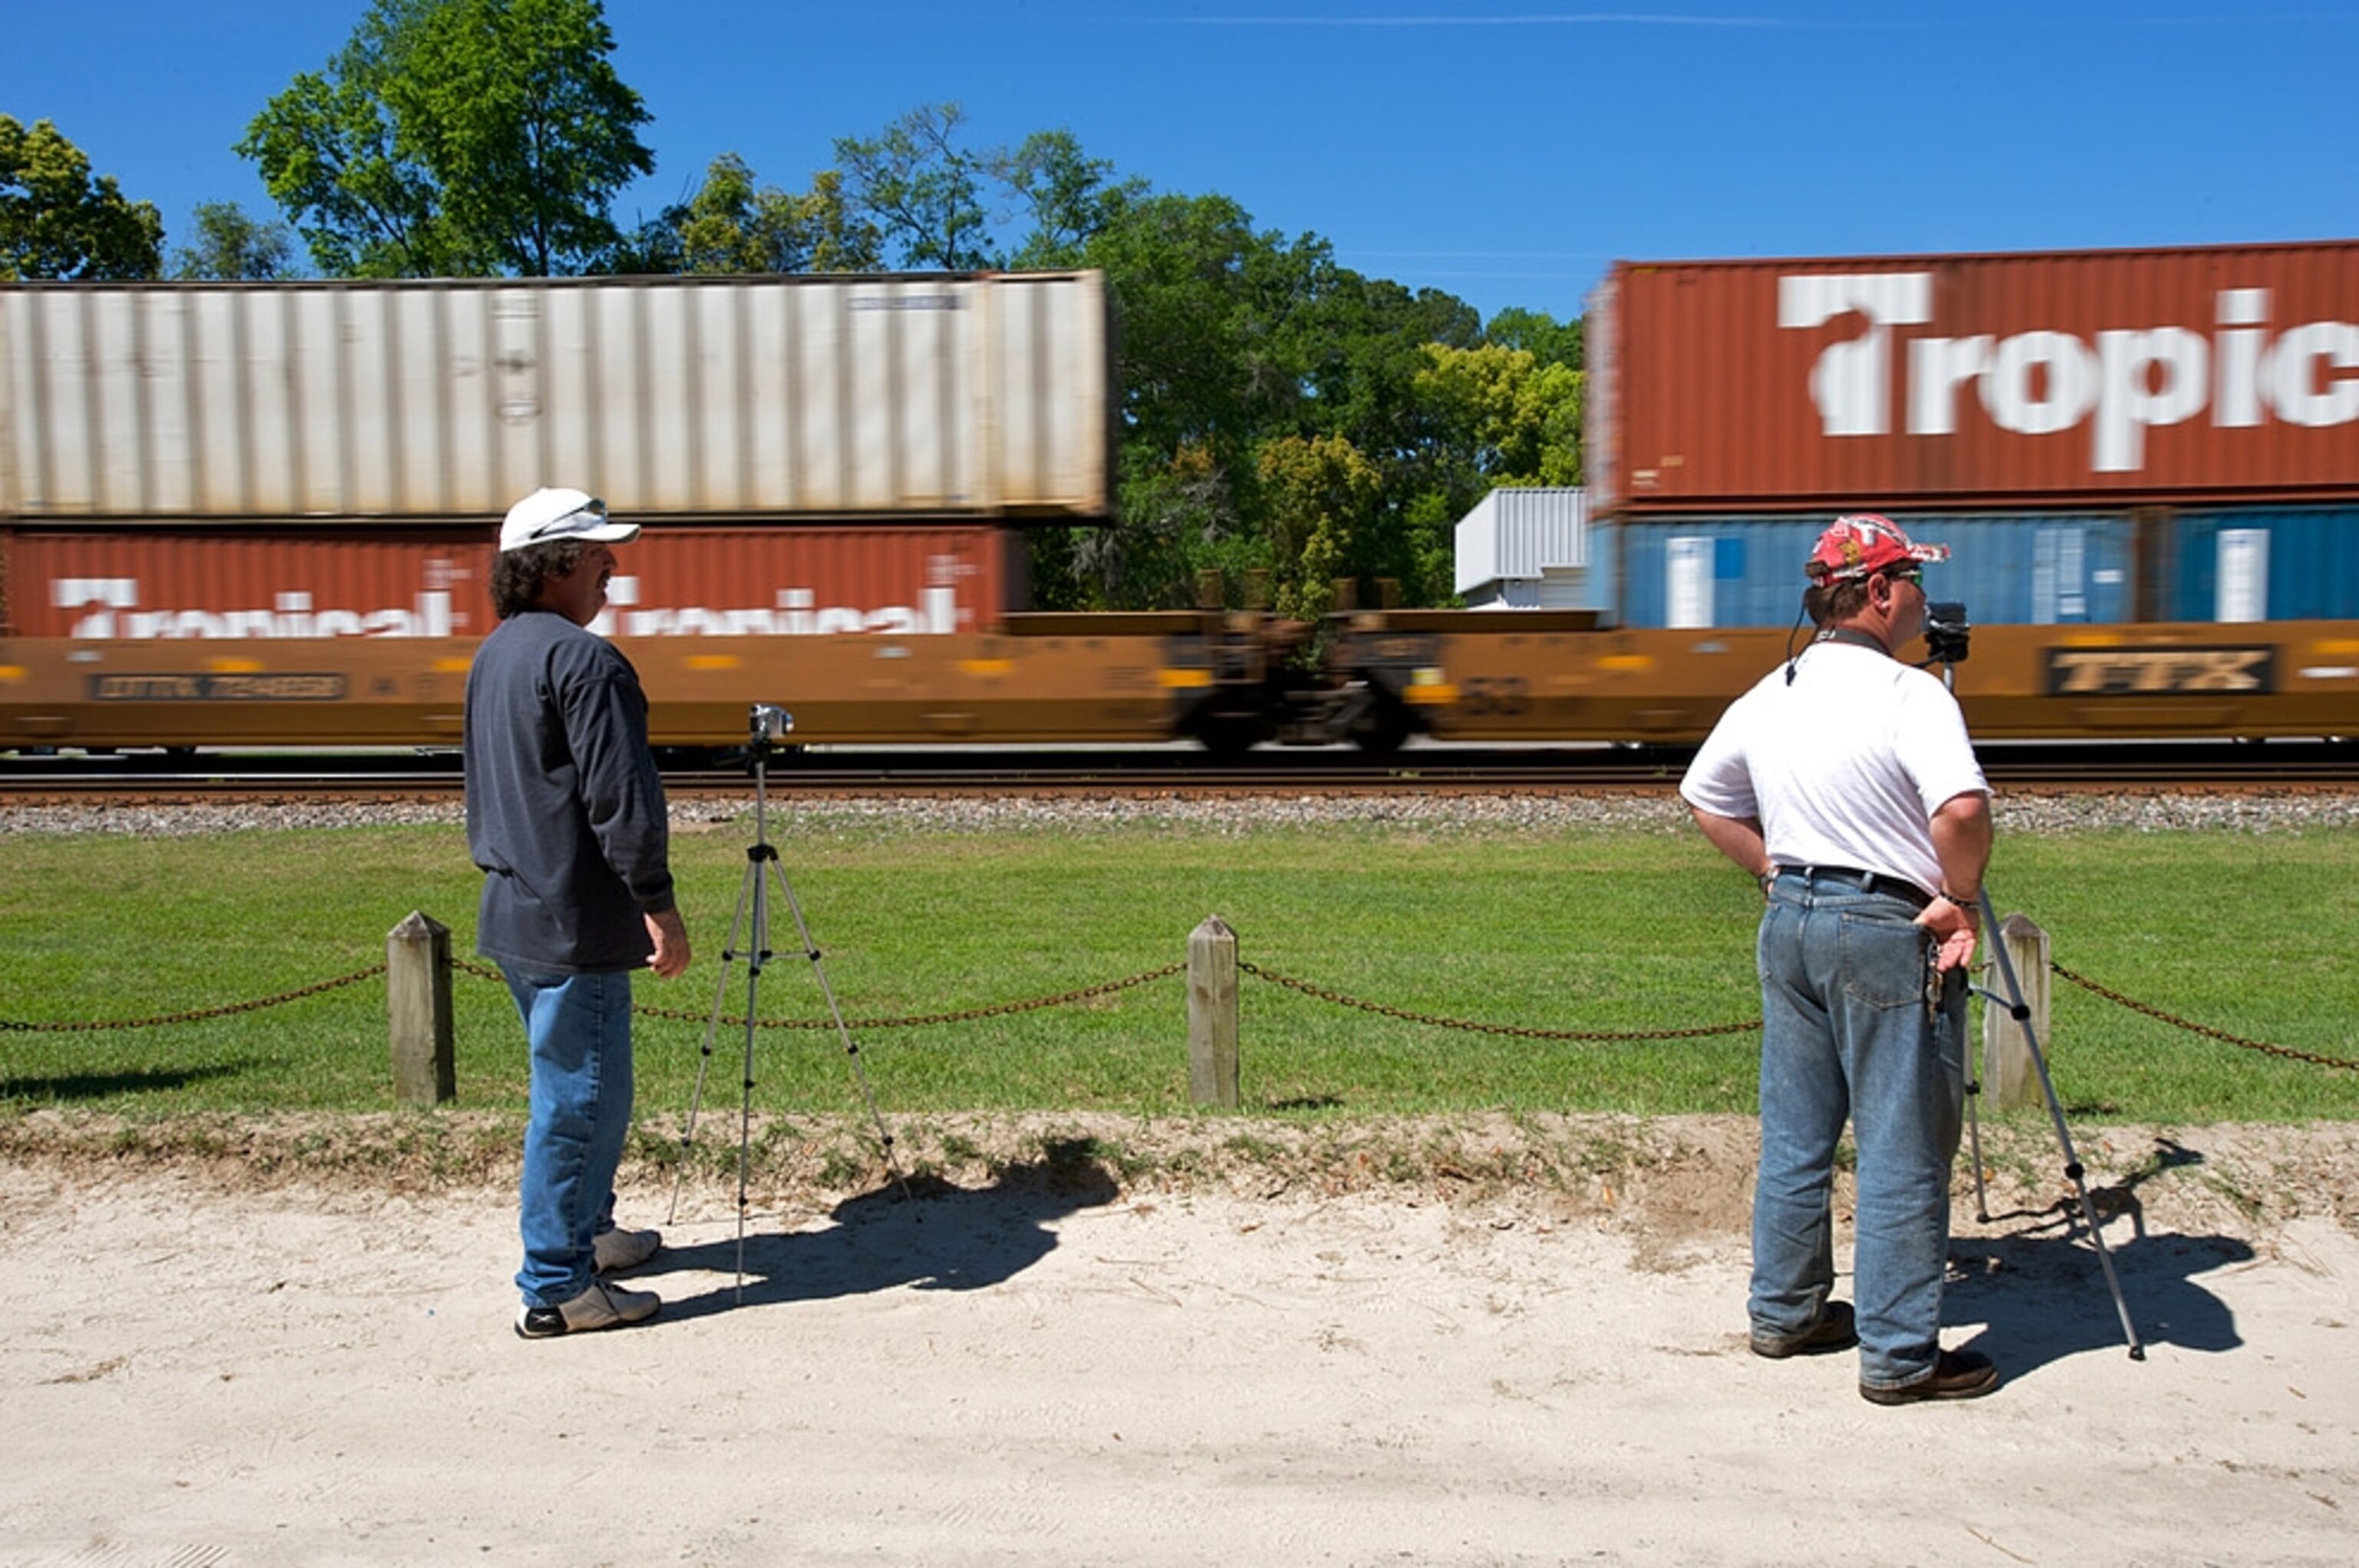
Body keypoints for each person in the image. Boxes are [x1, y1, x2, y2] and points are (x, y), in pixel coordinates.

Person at [1679, 513, 1998, 1405]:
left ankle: (1785, 1310)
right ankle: (1900, 1355)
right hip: (1884, 926)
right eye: (1915, 581)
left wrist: (1774, 869)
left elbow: (1704, 795)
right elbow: (1963, 812)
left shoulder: (1771, 690)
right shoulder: (1912, 696)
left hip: (1793, 921)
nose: (1926, 600)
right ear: (1880, 591)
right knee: (1902, 1143)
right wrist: (1962, 896)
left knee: (1797, 1131)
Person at [465, 487, 692, 1339]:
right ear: (552, 563)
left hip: (517, 910)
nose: (613, 565)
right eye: (598, 552)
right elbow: (622, 801)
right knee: (579, 1101)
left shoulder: (499, 652)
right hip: (575, 918)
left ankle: (591, 1232)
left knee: (584, 1092)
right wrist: (660, 905)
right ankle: (559, 1284)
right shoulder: (588, 661)